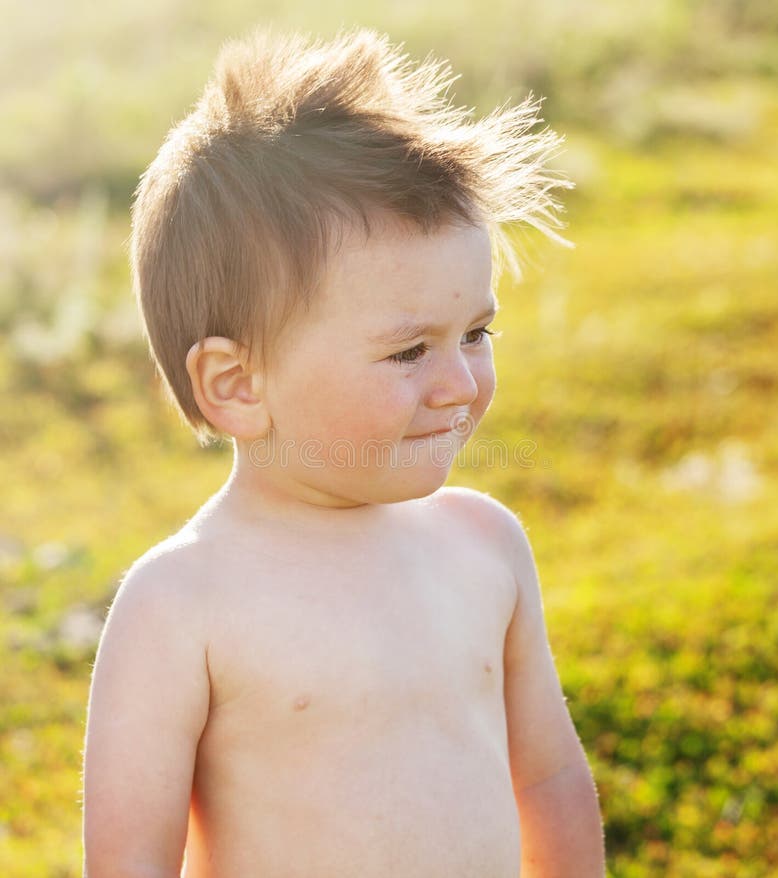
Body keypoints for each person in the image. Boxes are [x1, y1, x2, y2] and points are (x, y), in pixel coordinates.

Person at [82, 27, 605, 878]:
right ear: (238, 384)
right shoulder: (181, 605)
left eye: (476, 332)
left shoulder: (484, 545)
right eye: (408, 352)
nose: (460, 385)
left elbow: (546, 779)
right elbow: (129, 863)